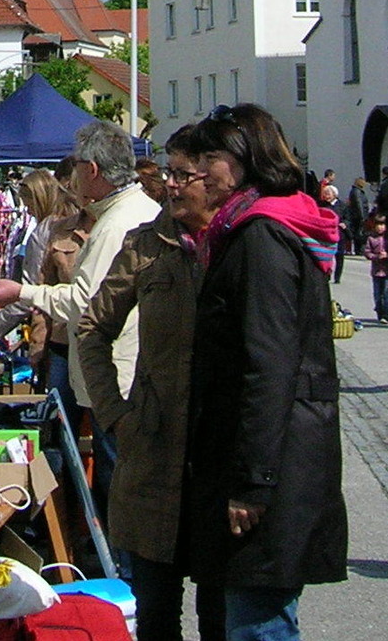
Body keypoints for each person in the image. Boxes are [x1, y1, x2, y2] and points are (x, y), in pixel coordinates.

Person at [178, 106, 346, 641]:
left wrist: (253, 481)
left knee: (258, 620)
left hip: (271, 461)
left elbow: (267, 364)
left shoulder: (261, 237)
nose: (202, 172)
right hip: (272, 454)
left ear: (248, 160)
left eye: (213, 158)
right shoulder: (253, 228)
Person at [76, 128, 224, 641]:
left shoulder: (237, 245)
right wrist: (113, 411)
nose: (172, 185)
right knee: (157, 609)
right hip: (152, 449)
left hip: (216, 458)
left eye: (184, 175)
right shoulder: (147, 244)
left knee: (220, 612)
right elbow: (92, 327)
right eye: (169, 173)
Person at [0, 120, 158, 529]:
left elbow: (85, 302)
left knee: (118, 484)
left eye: (76, 167)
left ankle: (121, 574)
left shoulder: (118, 223)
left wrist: (22, 293)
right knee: (118, 479)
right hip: (118, 372)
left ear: (92, 170)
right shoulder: (128, 212)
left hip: (118, 377)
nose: (71, 177)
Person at [0, 167, 88, 421]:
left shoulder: (46, 232)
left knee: (59, 420)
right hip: (82, 332)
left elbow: (29, 293)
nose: (26, 211)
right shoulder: (78, 224)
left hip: (59, 335)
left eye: (28, 204)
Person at [362, 213, 388, 324]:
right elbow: (367, 252)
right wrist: (375, 257)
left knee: (386, 293)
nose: (380, 227)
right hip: (376, 270)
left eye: (382, 225)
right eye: (378, 225)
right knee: (377, 294)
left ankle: (386, 314)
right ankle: (379, 311)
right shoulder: (371, 238)